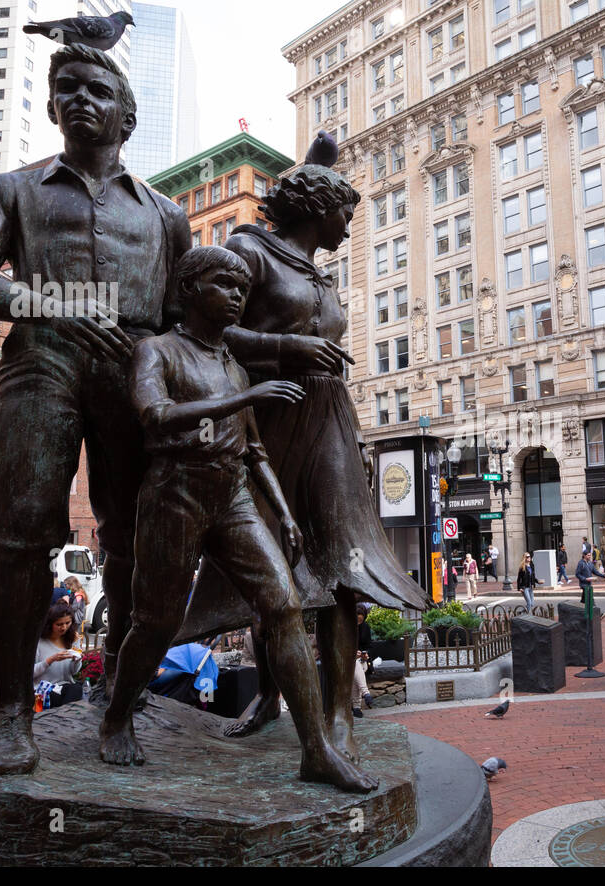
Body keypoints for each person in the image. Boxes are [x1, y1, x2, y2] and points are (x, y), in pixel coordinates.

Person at [0, 43, 197, 774]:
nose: (80, 97)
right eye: (66, 88)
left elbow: (183, 318)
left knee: (135, 538)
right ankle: (12, 714)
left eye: (97, 88)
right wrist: (44, 303)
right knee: (21, 535)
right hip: (40, 361)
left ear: (126, 115)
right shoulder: (13, 189)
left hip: (136, 369)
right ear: (51, 107)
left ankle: (120, 691)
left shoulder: (169, 216)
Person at [99, 244, 374, 792]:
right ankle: (116, 716)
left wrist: (285, 512)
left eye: (243, 290)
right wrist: (241, 398)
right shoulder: (157, 351)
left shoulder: (234, 364)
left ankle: (316, 749)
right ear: (189, 290)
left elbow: (255, 452)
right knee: (155, 624)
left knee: (285, 605)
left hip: (235, 497)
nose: (237, 297)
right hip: (175, 494)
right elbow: (155, 418)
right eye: (225, 286)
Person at [178, 156, 428, 758]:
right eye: (345, 211)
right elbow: (203, 330)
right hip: (269, 417)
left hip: (331, 419)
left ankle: (340, 713)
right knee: (273, 566)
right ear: (317, 207)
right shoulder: (250, 250)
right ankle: (269, 695)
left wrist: (357, 445)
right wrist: (287, 346)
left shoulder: (323, 277)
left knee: (346, 563)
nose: (349, 223)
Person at [33, 602, 83, 690]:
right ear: (50, 624)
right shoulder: (39, 642)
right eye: (59, 624)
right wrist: (50, 660)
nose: (64, 627)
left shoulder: (73, 639)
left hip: (65, 686)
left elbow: (74, 672)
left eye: (67, 623)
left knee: (76, 690)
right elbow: (30, 673)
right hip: (44, 689)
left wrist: (77, 660)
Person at [353, 603, 373, 719]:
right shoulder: (346, 627)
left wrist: (366, 655)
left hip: (363, 661)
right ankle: (365, 693)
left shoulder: (366, 627)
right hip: (349, 660)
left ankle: (356, 706)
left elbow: (370, 646)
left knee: (357, 668)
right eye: (357, 620)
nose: (358, 622)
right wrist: (352, 652)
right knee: (354, 666)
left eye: (360, 620)